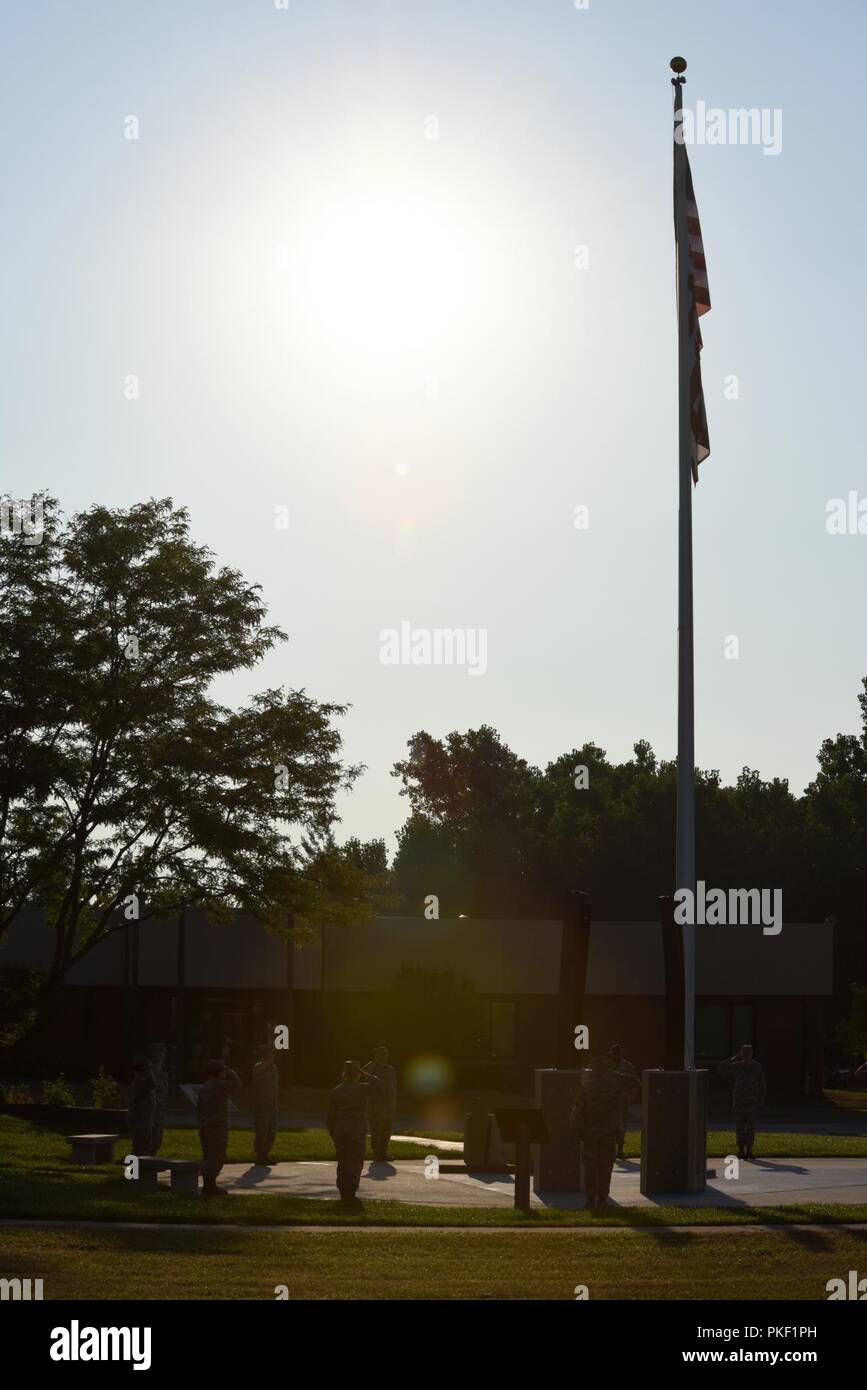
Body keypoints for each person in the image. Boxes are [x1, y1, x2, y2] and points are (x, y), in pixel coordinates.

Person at [571, 1053, 641, 1211]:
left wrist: (577, 1130)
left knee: (590, 1169)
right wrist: (625, 1096)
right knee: (605, 1169)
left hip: (590, 1134)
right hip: (609, 1133)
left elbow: (577, 1110)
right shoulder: (616, 1083)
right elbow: (635, 1082)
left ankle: (589, 1201)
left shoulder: (587, 1086)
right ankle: (602, 1201)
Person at [326, 1061, 383, 1200]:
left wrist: (333, 1134)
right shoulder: (361, 1088)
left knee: (343, 1162)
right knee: (356, 1162)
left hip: (341, 1129)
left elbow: (330, 1118)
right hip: (356, 1130)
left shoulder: (336, 1090)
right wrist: (365, 1073)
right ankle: (350, 1191)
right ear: (357, 1073)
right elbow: (380, 1086)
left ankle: (343, 1190)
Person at [197, 1059, 242, 1195]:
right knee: (217, 1156)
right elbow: (237, 1085)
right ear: (219, 1072)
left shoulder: (206, 1086)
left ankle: (208, 1185)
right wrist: (232, 1072)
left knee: (209, 1156)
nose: (225, 1072)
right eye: (223, 1070)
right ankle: (210, 1186)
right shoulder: (219, 1085)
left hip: (206, 1126)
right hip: (217, 1127)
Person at [718, 1044, 766, 1161]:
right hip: (739, 1100)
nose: (747, 1055)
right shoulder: (737, 1066)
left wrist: (761, 1100)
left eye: (748, 1053)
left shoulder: (757, 1066)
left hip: (752, 1100)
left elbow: (762, 1085)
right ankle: (740, 1149)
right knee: (739, 1126)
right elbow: (720, 1068)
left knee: (750, 1126)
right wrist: (733, 1059)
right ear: (741, 1054)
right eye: (744, 1053)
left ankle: (749, 1149)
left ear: (752, 1053)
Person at [364, 1045, 397, 1162]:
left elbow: (392, 1086)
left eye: (385, 1055)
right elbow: (364, 1073)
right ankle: (377, 1153)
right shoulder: (371, 1068)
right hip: (374, 1104)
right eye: (381, 1055)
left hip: (387, 1103)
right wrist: (373, 1062)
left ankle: (383, 1152)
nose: (384, 1057)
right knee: (375, 1129)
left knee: (386, 1129)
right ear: (375, 1056)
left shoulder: (389, 1069)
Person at [607, 1043, 639, 1162]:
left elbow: (635, 1082)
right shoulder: (607, 1066)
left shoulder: (627, 1066)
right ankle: (610, 1151)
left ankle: (620, 1150)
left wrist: (630, 1097)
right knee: (608, 1126)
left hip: (621, 1100)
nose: (615, 1055)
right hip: (608, 1101)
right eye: (613, 1052)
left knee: (621, 1126)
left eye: (618, 1052)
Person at [252, 1044, 279, 1166]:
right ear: (265, 1055)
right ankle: (259, 1156)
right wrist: (267, 1063)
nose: (273, 1056)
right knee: (262, 1131)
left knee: (272, 1131)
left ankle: (265, 1155)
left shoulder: (274, 1069)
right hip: (262, 1104)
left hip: (272, 1104)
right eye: (271, 1054)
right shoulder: (259, 1066)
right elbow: (256, 1073)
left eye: (273, 1054)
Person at [128, 1054, 156, 1157]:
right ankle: (135, 1169)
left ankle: (139, 1167)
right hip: (141, 1118)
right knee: (141, 1146)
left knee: (144, 1145)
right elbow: (153, 1082)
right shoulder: (141, 1081)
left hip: (145, 1117)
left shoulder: (141, 1080)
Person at [147, 1042, 168, 1157]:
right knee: (144, 1145)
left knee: (157, 1142)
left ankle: (150, 1167)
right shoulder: (147, 1071)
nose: (162, 1055)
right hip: (148, 1113)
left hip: (159, 1113)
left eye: (163, 1053)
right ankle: (134, 1172)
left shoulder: (163, 1073)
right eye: (160, 1052)